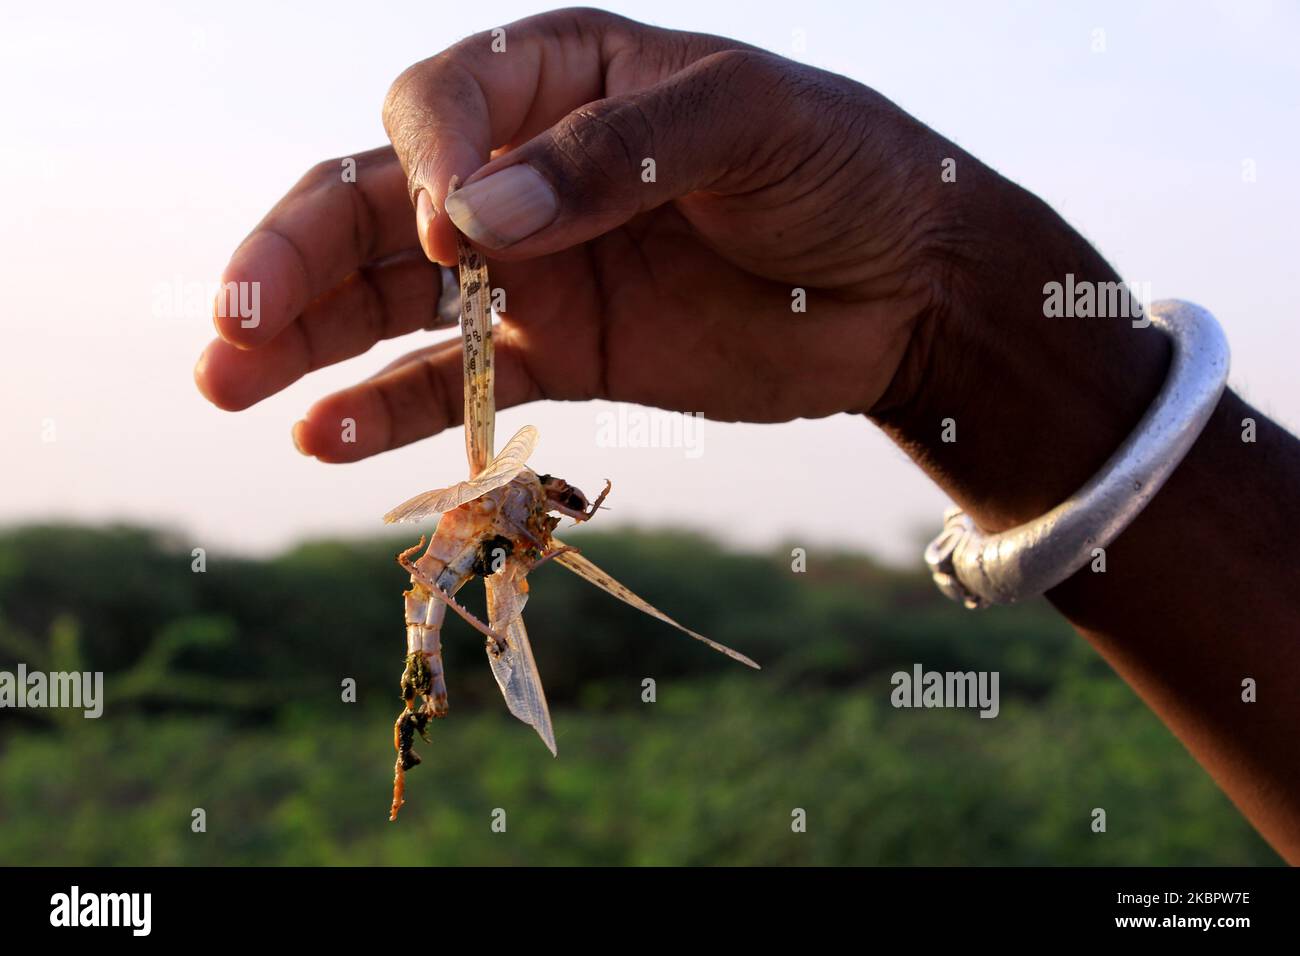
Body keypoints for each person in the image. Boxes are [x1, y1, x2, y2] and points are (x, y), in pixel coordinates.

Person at [193, 9, 1300, 862]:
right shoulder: (494, 520)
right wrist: (943, 328)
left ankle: (411, 721)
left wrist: (942, 313)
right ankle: (412, 722)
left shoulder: (519, 508)